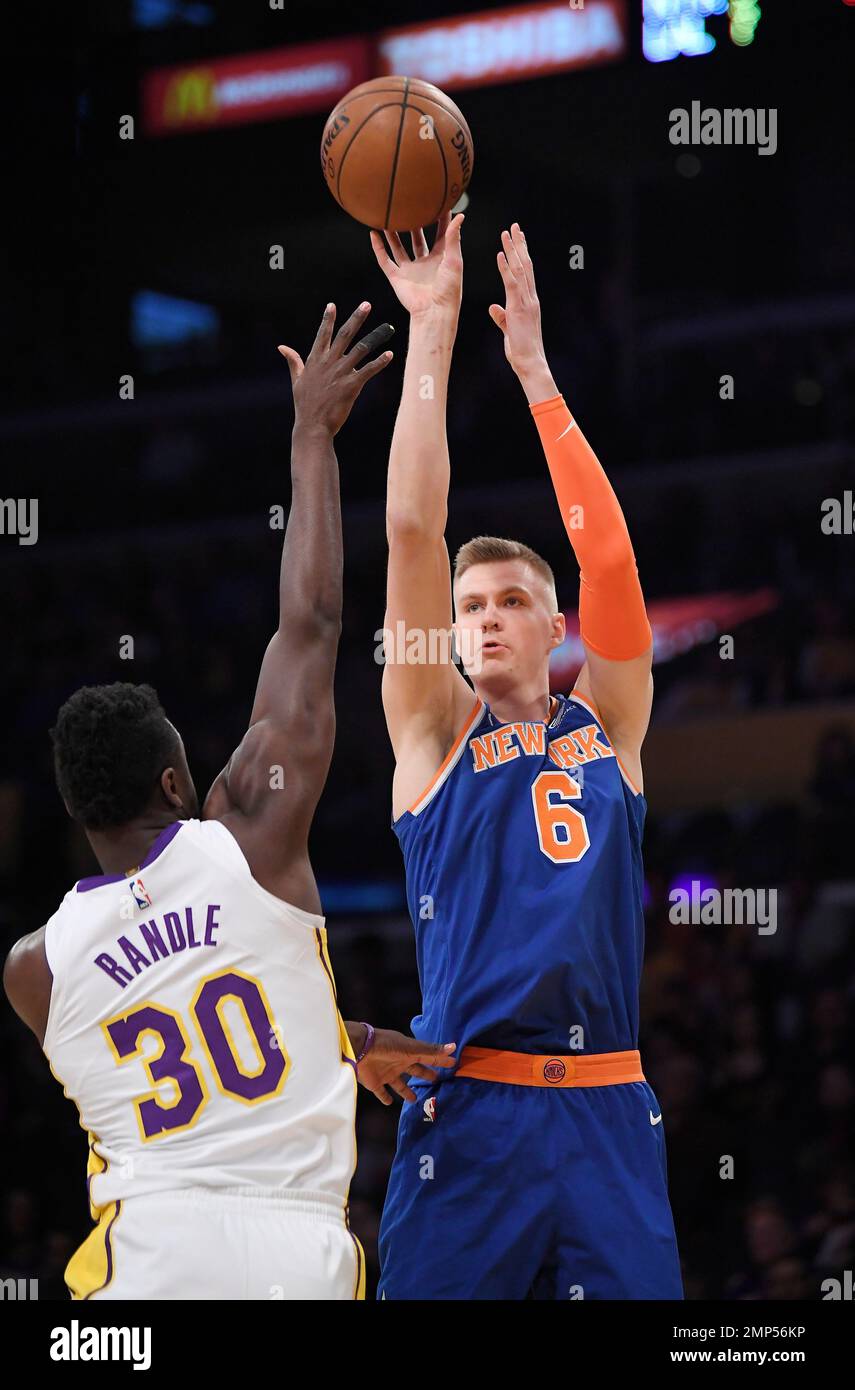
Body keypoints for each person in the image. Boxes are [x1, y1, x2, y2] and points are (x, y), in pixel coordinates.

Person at [3, 303, 455, 1300]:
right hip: (298, 1255)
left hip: (150, 1267)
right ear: (177, 781)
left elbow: (179, 1030)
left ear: (84, 818)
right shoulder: (248, 833)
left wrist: (347, 1039)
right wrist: (310, 438)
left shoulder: (33, 970)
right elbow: (315, 619)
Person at [369, 214, 682, 1299]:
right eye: (471, 607)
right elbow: (414, 527)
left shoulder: (613, 722)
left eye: (514, 603)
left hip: (607, 1105)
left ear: (558, 630)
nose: (490, 618)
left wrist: (538, 376)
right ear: (447, 634)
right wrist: (434, 329)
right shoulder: (430, 728)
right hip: (474, 1111)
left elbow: (610, 552)